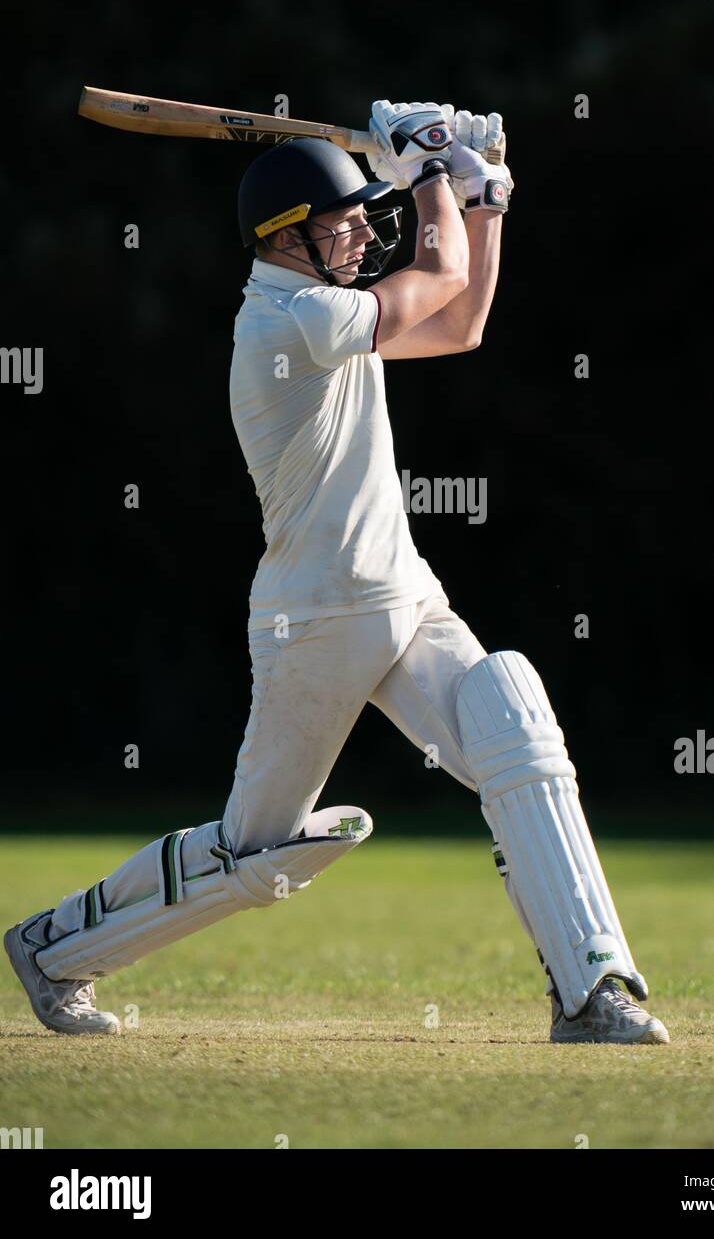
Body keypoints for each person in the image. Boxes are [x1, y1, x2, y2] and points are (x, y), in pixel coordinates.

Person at [4, 100, 669, 1046]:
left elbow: (461, 319)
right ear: (287, 239)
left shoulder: (327, 306)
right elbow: (434, 276)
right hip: (314, 620)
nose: (363, 234)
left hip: (401, 591)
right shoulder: (292, 318)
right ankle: (53, 948)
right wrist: (436, 169)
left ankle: (593, 991)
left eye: (366, 217)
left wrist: (488, 193)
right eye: (346, 223)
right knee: (258, 855)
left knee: (514, 727)